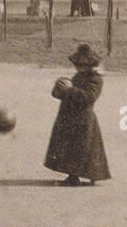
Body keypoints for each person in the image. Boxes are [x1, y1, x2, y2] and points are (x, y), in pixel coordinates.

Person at [44, 43, 111, 187]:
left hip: (83, 119)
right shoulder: (78, 76)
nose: (78, 67)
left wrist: (69, 89)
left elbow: (89, 97)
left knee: (83, 149)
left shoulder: (96, 79)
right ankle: (73, 177)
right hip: (70, 118)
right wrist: (59, 88)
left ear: (90, 65)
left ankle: (85, 177)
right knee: (73, 149)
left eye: (81, 65)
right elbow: (61, 94)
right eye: (77, 64)